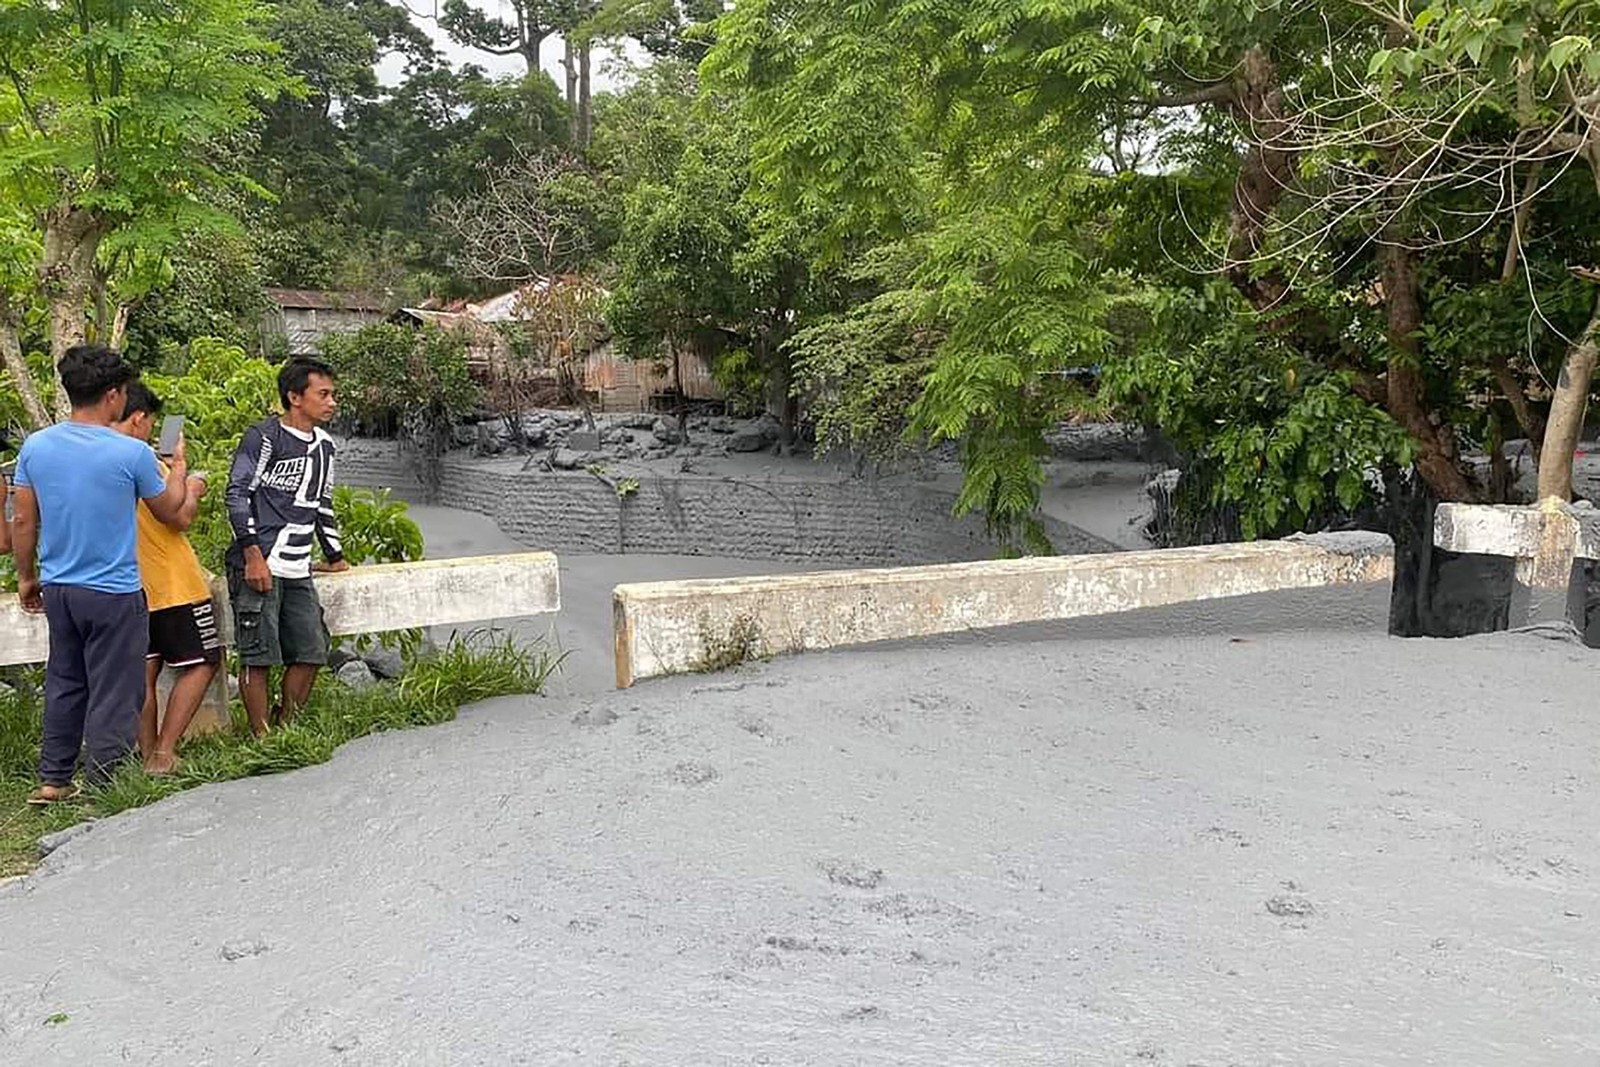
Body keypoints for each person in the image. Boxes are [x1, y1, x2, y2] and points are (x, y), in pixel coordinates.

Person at [11, 345, 190, 803]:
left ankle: (54, 779)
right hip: (113, 591)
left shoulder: (37, 446)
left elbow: (24, 522)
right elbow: (170, 510)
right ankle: (104, 784)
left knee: (66, 681)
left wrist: (27, 577)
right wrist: (179, 468)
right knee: (117, 688)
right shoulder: (129, 452)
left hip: (60, 588)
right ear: (113, 396)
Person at [225, 357, 350, 736]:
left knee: (312, 650)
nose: (332, 402)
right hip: (261, 561)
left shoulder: (325, 446)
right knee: (258, 654)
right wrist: (252, 554)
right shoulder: (263, 437)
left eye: (333, 395)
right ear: (295, 397)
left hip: (298, 566)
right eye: (323, 394)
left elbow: (322, 503)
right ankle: (262, 737)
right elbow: (237, 493)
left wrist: (335, 555)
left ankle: (286, 725)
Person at [112, 382, 221, 775]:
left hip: (129, 586)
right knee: (203, 662)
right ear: (139, 418)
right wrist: (189, 481)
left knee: (145, 670)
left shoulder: (98, 461)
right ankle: (164, 752)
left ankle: (145, 755)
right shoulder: (144, 461)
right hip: (175, 585)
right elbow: (179, 516)